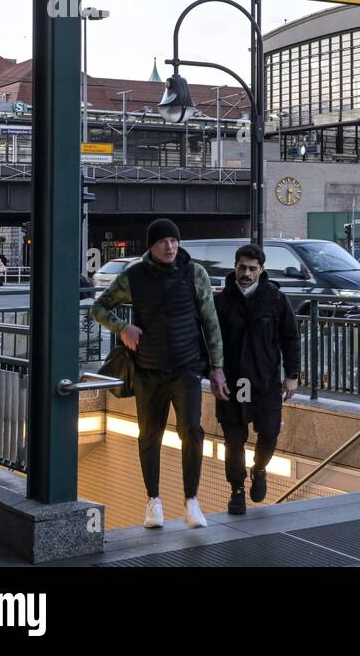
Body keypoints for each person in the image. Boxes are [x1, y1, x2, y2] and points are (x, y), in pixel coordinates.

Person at [91, 218, 228, 530]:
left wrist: (218, 367)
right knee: (149, 436)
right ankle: (153, 500)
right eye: (163, 242)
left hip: (187, 367)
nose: (170, 246)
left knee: (192, 430)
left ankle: (191, 500)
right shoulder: (133, 277)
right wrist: (122, 327)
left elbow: (211, 322)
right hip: (148, 370)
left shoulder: (195, 274)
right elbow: (98, 308)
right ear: (151, 246)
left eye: (174, 241)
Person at [215, 244, 299, 515]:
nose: (246, 273)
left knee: (270, 432)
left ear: (261, 270)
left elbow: (290, 338)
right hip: (236, 381)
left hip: (265, 381)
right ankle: (236, 490)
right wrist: (212, 372)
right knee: (234, 438)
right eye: (242, 267)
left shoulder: (275, 299)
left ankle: (260, 468)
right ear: (235, 267)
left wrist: (292, 376)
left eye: (252, 269)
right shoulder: (222, 301)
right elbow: (208, 340)